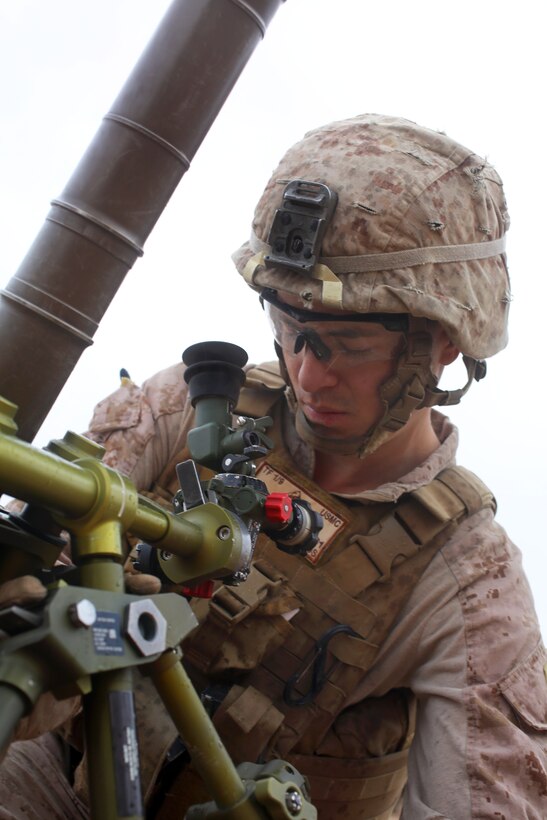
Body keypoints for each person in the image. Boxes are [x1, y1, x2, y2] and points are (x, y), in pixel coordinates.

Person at [1, 113, 546, 819]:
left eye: (345, 344)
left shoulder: (469, 584)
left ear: (439, 344)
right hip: (51, 785)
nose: (306, 372)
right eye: (289, 328)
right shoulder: (192, 405)